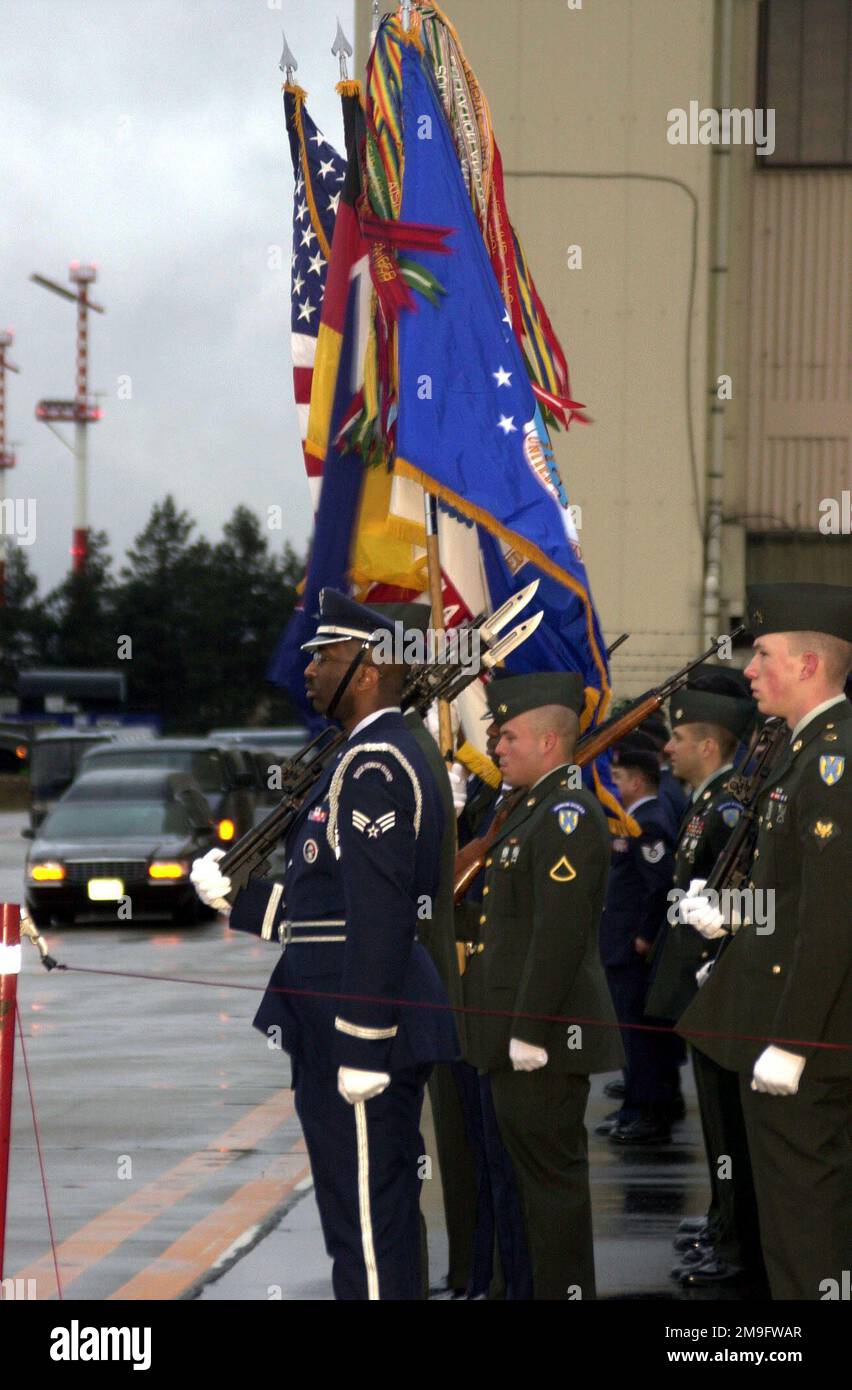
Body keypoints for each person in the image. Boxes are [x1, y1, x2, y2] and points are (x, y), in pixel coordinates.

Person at [191, 588, 457, 1300]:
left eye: (323, 657)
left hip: (358, 1028)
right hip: (337, 1020)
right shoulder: (361, 756)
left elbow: (381, 915)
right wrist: (238, 899)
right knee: (360, 1214)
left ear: (368, 669)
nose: (306, 670)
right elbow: (324, 913)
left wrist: (366, 1042)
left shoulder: (374, 767)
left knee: (370, 1223)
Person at [678, 582, 852, 1300]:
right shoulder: (802, 750)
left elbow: (834, 918)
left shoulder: (832, 762)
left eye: (765, 654)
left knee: (806, 1229)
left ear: (809, 665)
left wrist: (792, 1041)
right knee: (787, 1227)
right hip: (780, 1020)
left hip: (801, 1036)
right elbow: (793, 893)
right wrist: (735, 912)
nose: (750, 669)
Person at [463, 672, 624, 1299]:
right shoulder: (527, 808)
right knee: (527, 1190)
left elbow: (556, 940)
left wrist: (529, 1031)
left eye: (507, 736)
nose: (496, 747)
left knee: (550, 1192)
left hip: (543, 1040)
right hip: (512, 1033)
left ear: (550, 740)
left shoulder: (564, 813)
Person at [646, 675, 766, 1290]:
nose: (668, 747)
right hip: (699, 989)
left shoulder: (725, 808)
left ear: (711, 747)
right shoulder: (706, 800)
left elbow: (742, 904)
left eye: (681, 736)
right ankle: (724, 1224)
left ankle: (738, 1243)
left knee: (727, 1126)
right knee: (715, 1123)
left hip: (715, 988)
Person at [598, 732, 681, 1143]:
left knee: (638, 1036)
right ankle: (636, 1105)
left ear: (634, 781)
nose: (612, 785)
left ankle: (646, 1112)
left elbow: (660, 884)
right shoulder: (634, 821)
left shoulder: (648, 824)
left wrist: (645, 935)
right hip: (620, 942)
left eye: (616, 777)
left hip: (632, 946)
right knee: (630, 1034)